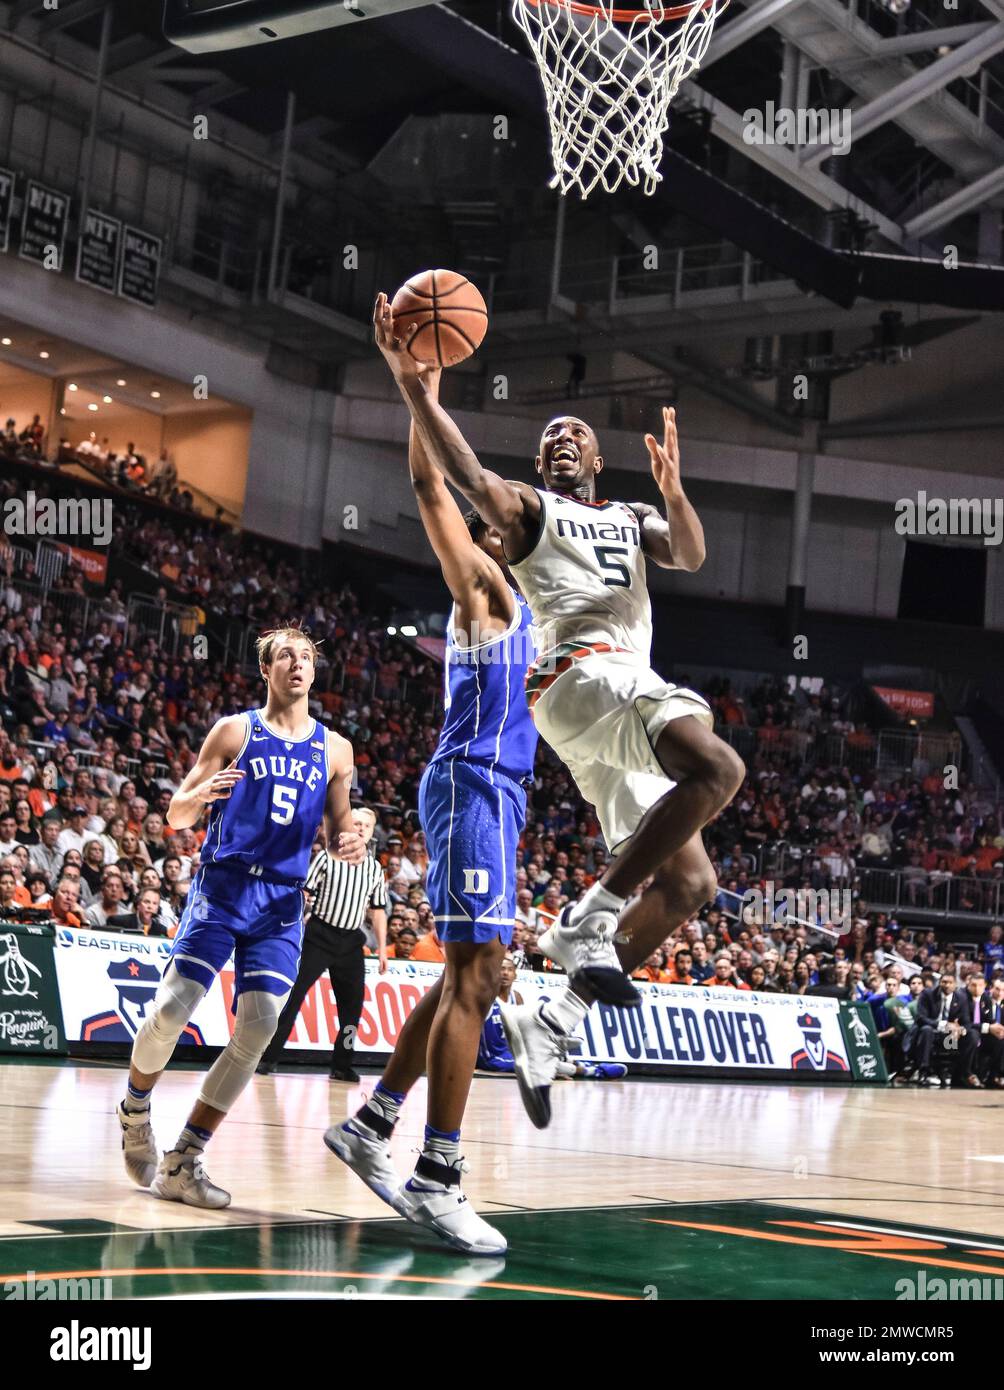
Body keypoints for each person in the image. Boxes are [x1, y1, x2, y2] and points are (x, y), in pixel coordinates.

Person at [369, 291, 744, 1131]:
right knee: (718, 765)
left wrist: (676, 492)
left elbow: (688, 552)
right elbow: (459, 478)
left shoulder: (627, 516)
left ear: (599, 457)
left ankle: (555, 1021)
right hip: (580, 680)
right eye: (548, 438)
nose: (560, 440)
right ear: (540, 469)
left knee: (691, 882)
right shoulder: (531, 514)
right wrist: (419, 392)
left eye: (574, 433)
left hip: (607, 707)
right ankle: (589, 916)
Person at [326, 359, 538, 1257]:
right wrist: (420, 384)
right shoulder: (487, 585)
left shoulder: (541, 611)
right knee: (477, 978)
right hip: (470, 783)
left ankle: (371, 1125)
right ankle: (436, 1173)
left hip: (502, 793)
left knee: (474, 979)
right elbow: (427, 483)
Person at [116, 627, 365, 1209]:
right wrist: (203, 796)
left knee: (260, 1026)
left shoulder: (336, 749)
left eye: (307, 656)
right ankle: (134, 1109)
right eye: (287, 656)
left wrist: (347, 841)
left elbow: (337, 827)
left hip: (282, 904)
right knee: (172, 1010)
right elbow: (177, 814)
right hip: (224, 889)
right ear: (267, 670)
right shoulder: (234, 731)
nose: (299, 664)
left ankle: (184, 1160)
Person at [258, 805, 388, 1081]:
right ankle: (268, 1057)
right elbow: (304, 893)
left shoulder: (376, 869)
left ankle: (342, 1065)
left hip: (352, 941)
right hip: (319, 934)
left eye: (366, 824)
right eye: (356, 823)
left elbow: (378, 909)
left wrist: (383, 949)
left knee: (352, 1009)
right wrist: (292, 927)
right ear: (347, 826)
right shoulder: (327, 858)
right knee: (292, 998)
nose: (361, 828)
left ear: (372, 831)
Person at [477, 955, 626, 1081]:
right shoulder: (487, 999)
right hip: (492, 1058)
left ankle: (583, 1063)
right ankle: (594, 1072)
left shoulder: (516, 997)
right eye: (501, 969)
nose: (505, 973)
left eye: (509, 969)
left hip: (511, 1051)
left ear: (515, 975)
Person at [914, 971, 974, 1087]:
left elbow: (967, 1022)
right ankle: (923, 1071)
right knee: (926, 1030)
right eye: (944, 982)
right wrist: (944, 1025)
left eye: (950, 982)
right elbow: (921, 1018)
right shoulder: (927, 994)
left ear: (955, 985)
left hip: (949, 1037)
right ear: (939, 983)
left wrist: (960, 1030)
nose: (947, 985)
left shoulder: (961, 998)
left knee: (972, 1035)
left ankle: (960, 1074)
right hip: (931, 1031)